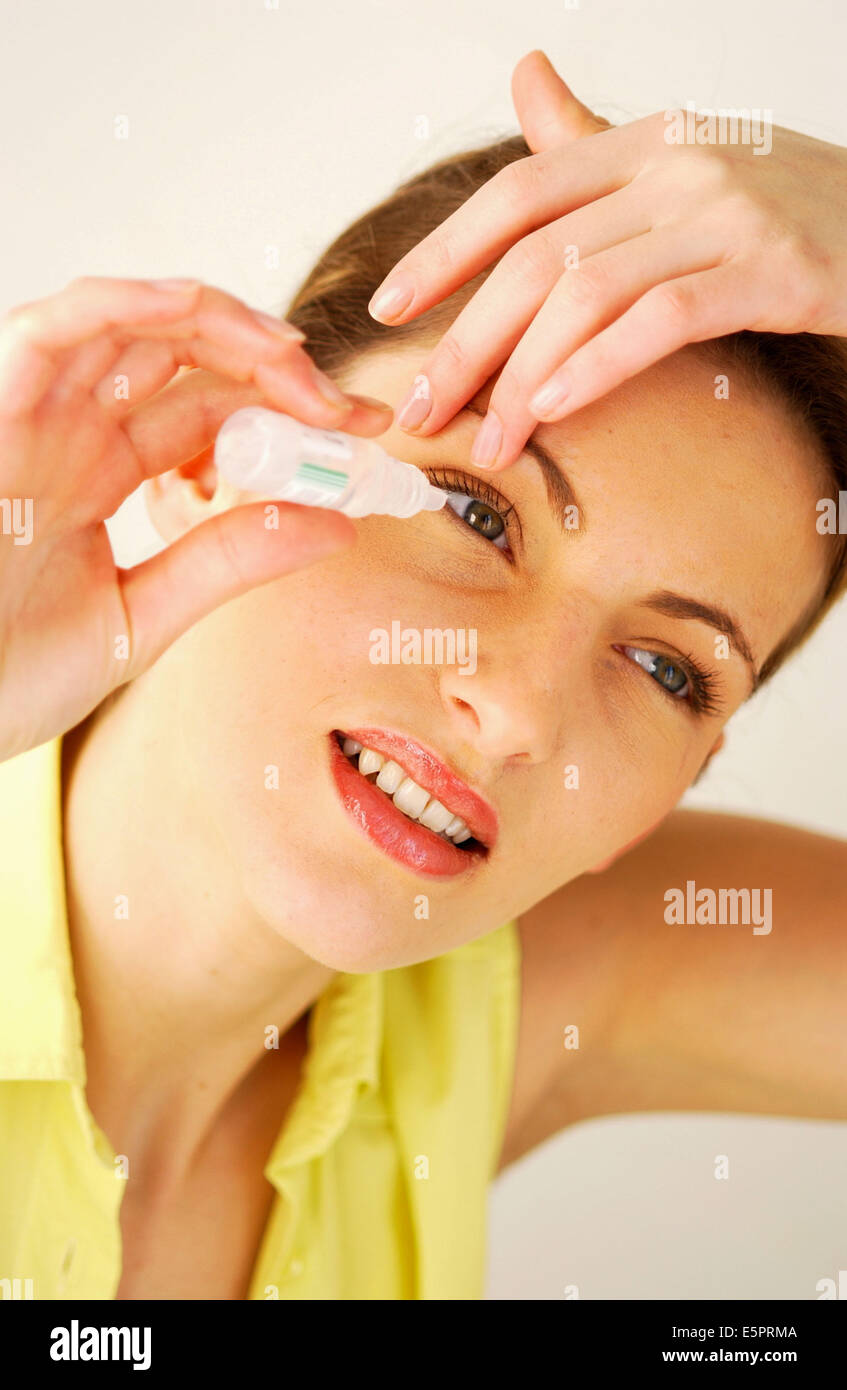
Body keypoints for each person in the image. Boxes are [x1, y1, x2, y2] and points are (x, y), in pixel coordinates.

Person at [1, 51, 845, 1301]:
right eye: (478, 513)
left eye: (668, 670)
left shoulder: (516, 995)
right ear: (211, 445)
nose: (514, 712)